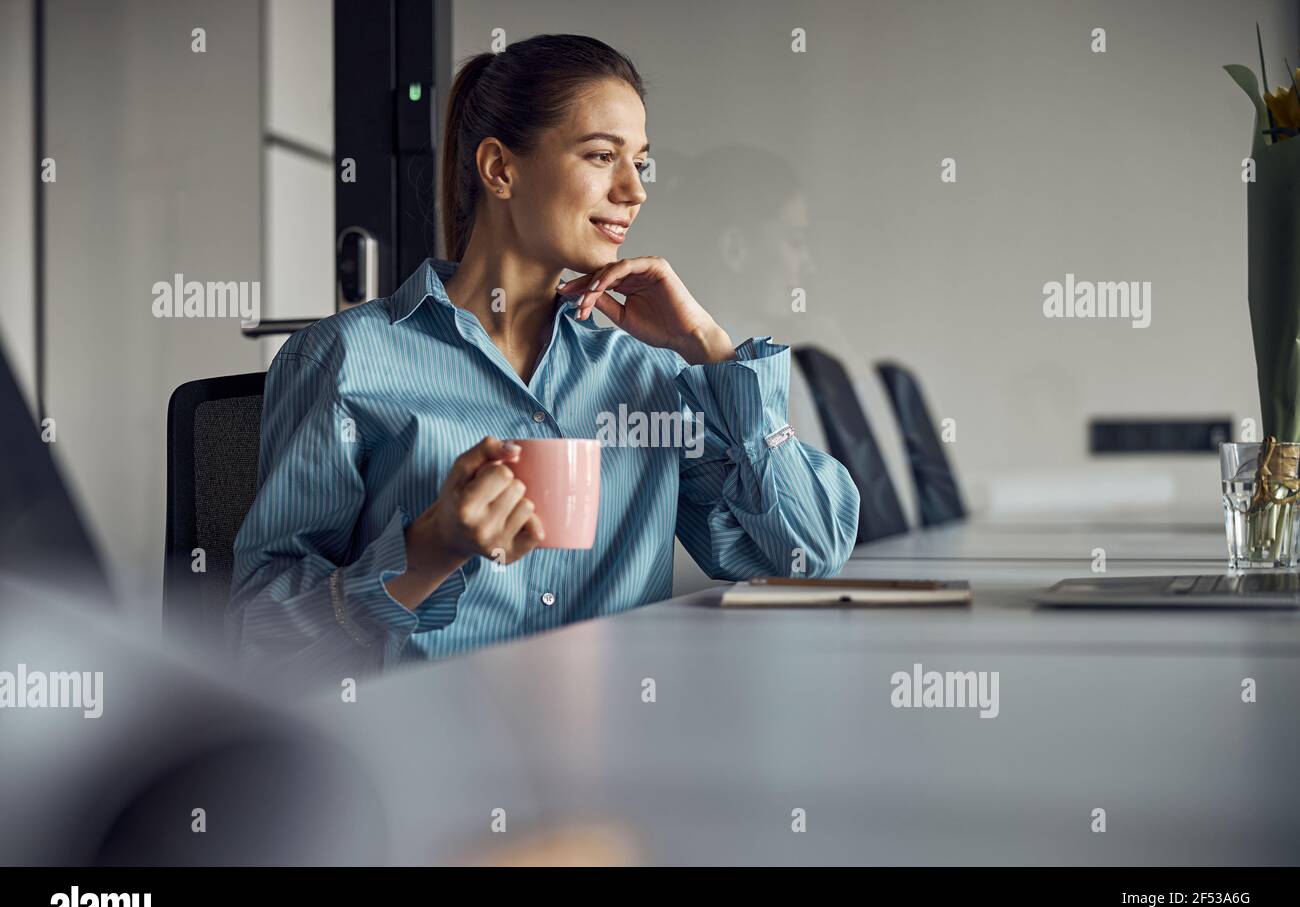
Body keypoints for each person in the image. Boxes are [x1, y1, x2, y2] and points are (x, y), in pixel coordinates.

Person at [227, 34, 859, 679]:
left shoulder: (646, 369)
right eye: (601, 155)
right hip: (428, 753)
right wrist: (427, 552)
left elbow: (804, 556)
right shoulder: (342, 360)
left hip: (622, 749)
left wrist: (712, 351)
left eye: (639, 162)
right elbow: (259, 643)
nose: (634, 190)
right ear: (501, 169)